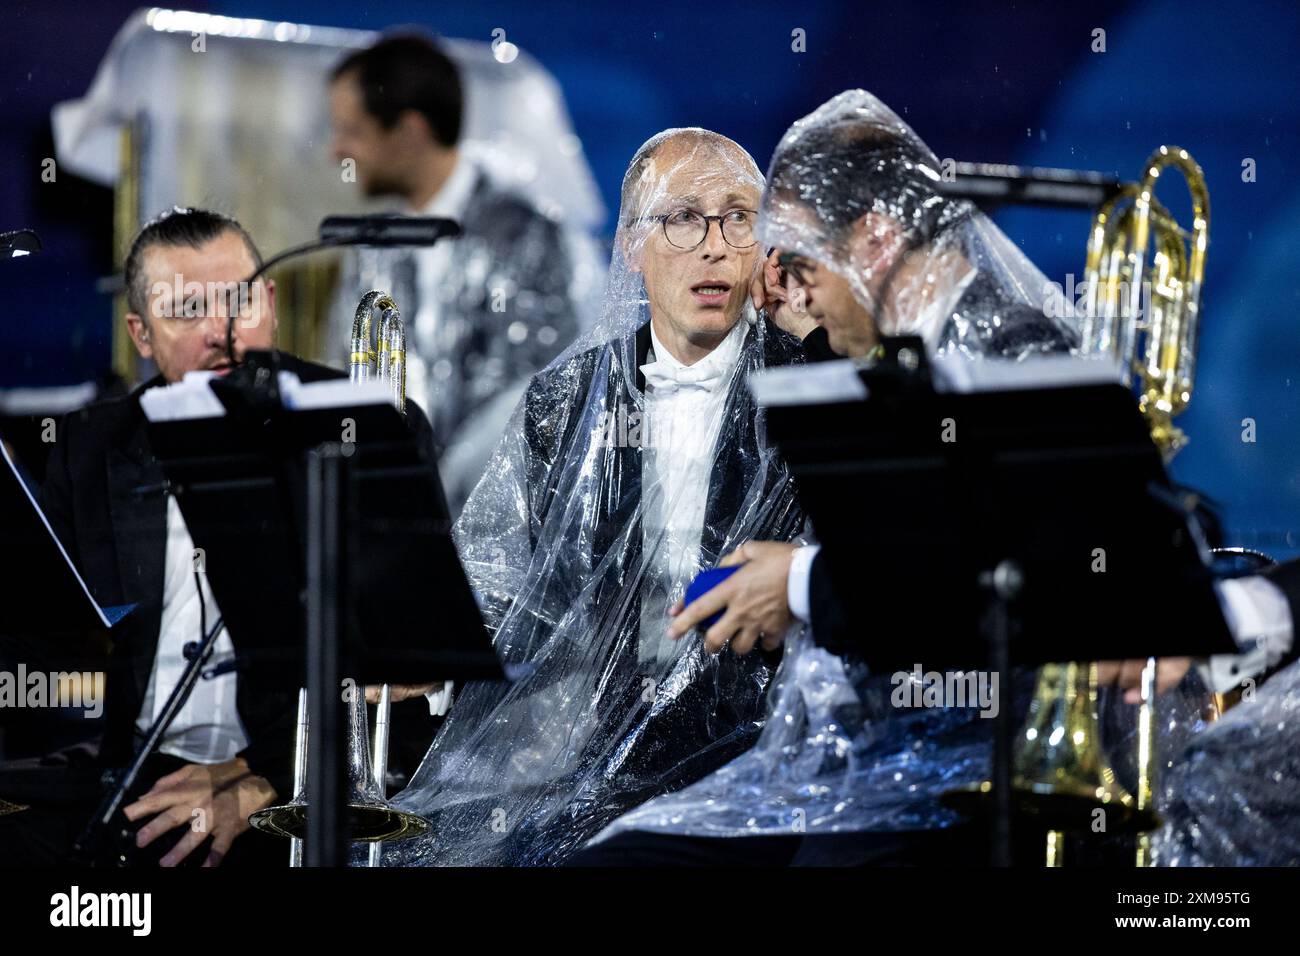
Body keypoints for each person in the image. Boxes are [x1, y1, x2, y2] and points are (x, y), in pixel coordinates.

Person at [377, 127, 812, 866]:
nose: (714, 246)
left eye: (738, 218)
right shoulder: (564, 403)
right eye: (682, 218)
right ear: (631, 246)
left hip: (765, 766)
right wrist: (440, 657)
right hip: (590, 759)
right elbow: (504, 586)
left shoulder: (813, 395)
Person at [0, 208, 444, 866]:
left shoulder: (367, 425)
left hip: (290, 786)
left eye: (238, 300)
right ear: (140, 334)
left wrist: (254, 785)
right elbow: (43, 645)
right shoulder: (87, 446)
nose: (220, 333)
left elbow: (410, 683)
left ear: (268, 301)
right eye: (185, 308)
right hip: (122, 774)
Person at [328, 34, 587, 509]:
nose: (337, 151)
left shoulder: (522, 233)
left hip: (498, 532)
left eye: (351, 131)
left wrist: (450, 490)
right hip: (390, 529)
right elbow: (344, 380)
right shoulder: (371, 245)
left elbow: (543, 392)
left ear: (409, 132)